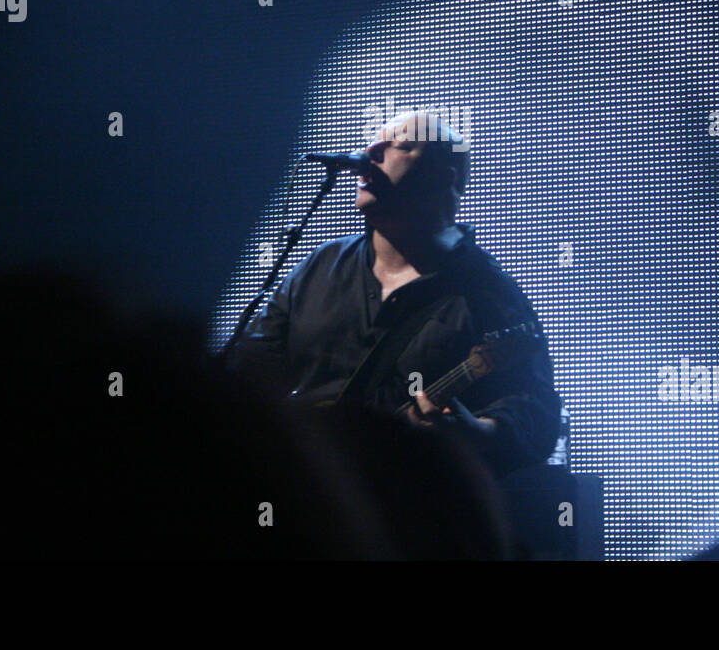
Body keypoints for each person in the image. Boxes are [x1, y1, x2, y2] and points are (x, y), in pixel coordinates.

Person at [227, 110, 561, 475]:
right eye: (374, 140)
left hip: (409, 511)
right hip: (308, 497)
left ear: (441, 177)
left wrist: (475, 432)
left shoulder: (490, 293)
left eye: (399, 145)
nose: (372, 149)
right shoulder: (321, 266)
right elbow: (253, 369)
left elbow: (538, 416)